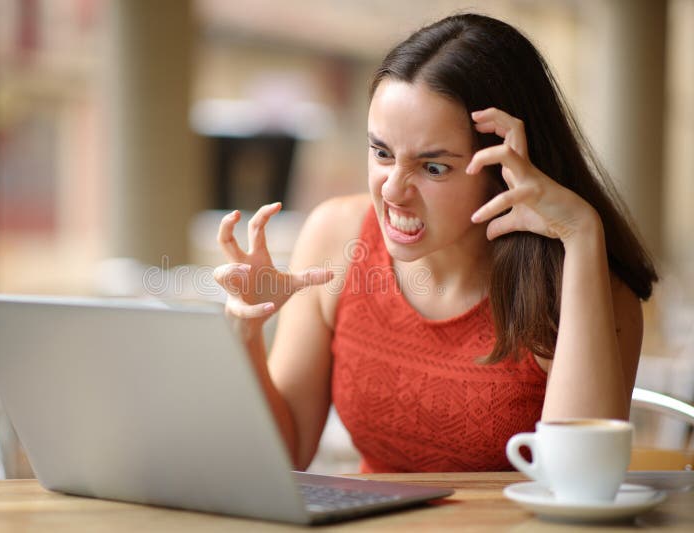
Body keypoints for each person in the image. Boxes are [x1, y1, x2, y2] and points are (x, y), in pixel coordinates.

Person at [213, 13, 657, 473]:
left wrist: (583, 235)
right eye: (382, 153)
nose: (391, 190)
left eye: (433, 167)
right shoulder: (335, 237)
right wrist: (245, 333)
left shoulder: (581, 282)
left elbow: (580, 480)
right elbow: (289, 452)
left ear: (503, 169)